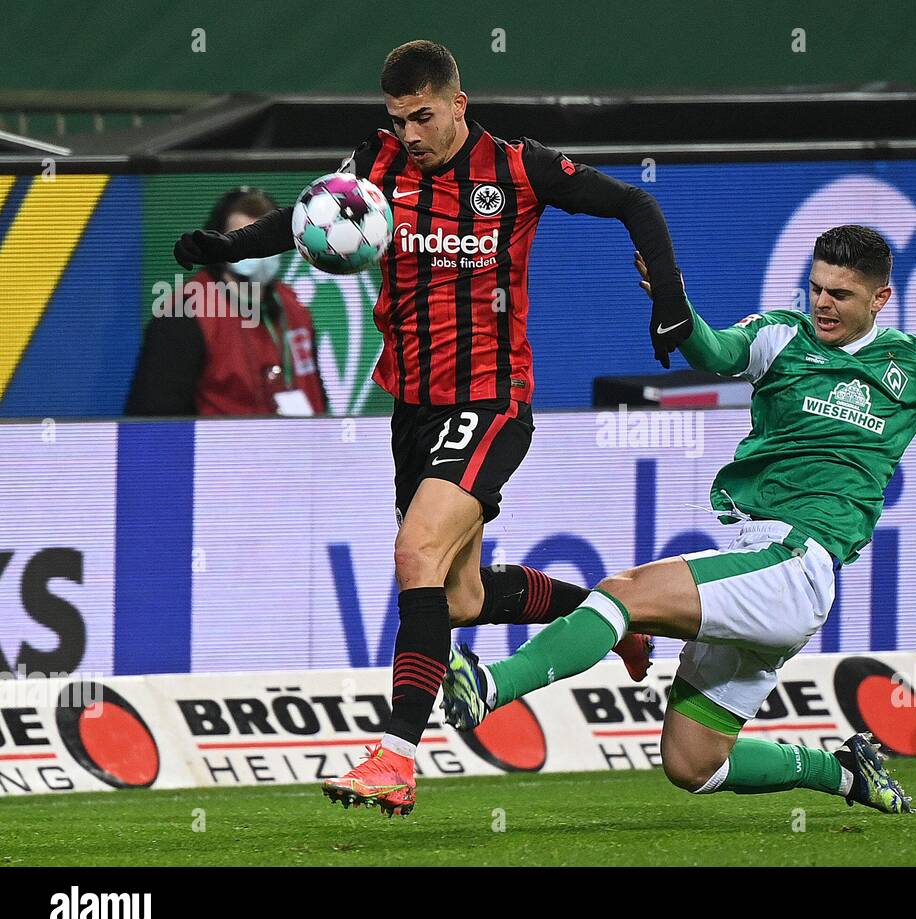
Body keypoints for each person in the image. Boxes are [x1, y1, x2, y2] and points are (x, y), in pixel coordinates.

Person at [441, 225, 916, 815]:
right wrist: (674, 303)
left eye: (842, 294)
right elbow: (714, 350)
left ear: (882, 297)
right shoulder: (781, 337)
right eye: (816, 288)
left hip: (799, 562)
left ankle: (491, 687)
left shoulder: (913, 365)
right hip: (766, 561)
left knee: (624, 592)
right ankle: (842, 772)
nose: (824, 304)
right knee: (692, 764)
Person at [171, 41, 682, 815]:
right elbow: (312, 214)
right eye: (398, 119)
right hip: (411, 409)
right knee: (463, 597)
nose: (410, 133)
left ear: (457, 102)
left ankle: (398, 754)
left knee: (414, 551)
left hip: (493, 402)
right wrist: (231, 249)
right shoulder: (377, 162)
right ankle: (614, 619)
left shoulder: (518, 169)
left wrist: (668, 297)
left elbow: (633, 204)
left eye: (422, 116)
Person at [129, 186, 328, 417]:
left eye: (263, 243)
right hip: (224, 449)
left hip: (303, 447)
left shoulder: (294, 307)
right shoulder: (185, 314)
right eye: (246, 240)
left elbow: (316, 394)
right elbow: (155, 416)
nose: (258, 253)